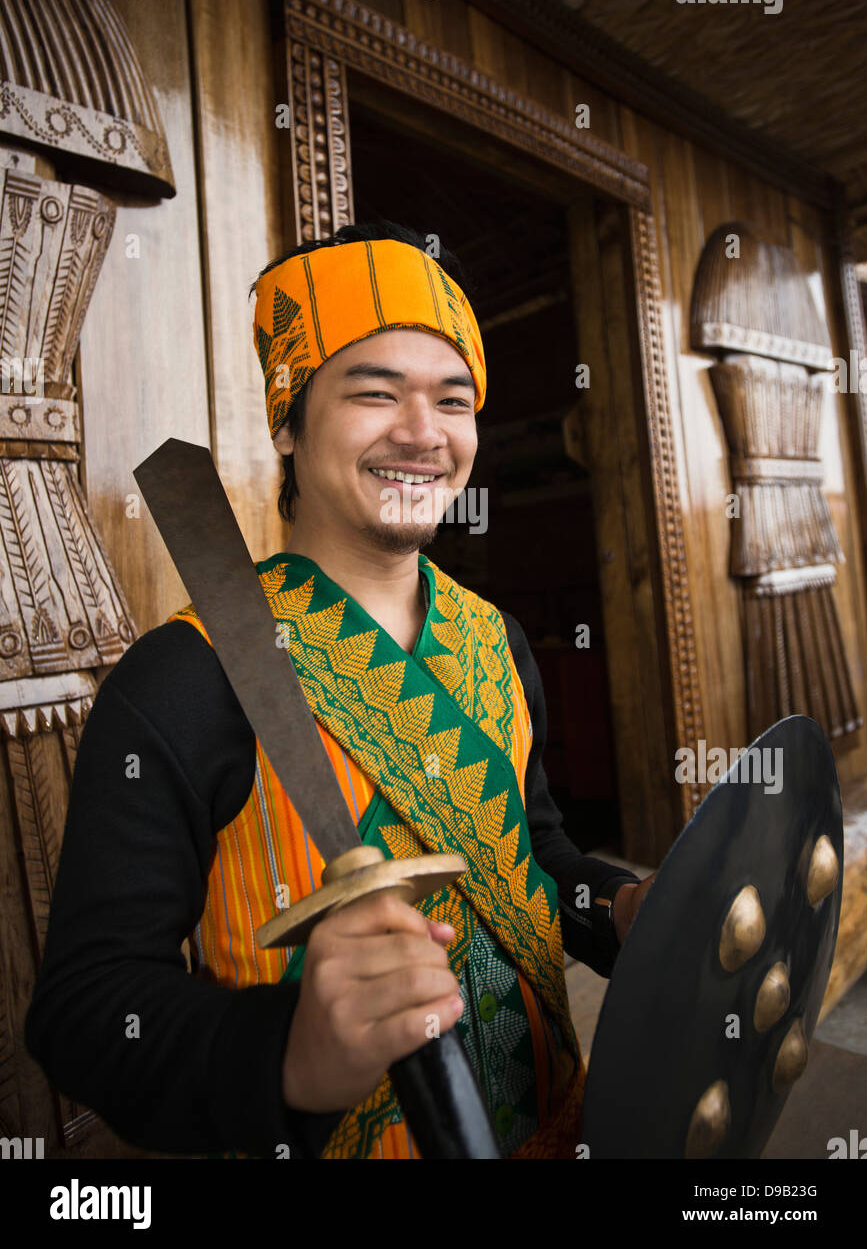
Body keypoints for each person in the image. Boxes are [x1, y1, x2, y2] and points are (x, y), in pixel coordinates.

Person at [26, 220, 654, 1160]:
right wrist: (290, 1055)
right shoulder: (187, 674)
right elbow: (85, 1006)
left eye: (453, 400)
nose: (421, 433)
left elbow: (535, 852)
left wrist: (617, 911)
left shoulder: (495, 639)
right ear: (287, 422)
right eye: (373, 393)